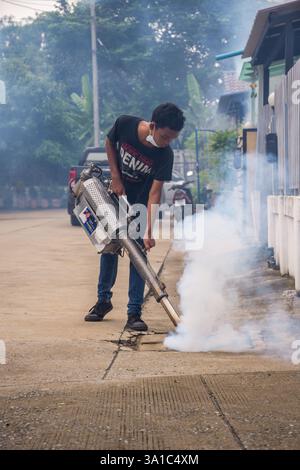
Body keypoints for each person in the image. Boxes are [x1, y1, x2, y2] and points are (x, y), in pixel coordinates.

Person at [85, 103, 185, 331]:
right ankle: (103, 301)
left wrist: (149, 230)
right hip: (115, 195)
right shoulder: (125, 124)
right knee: (109, 249)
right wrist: (116, 176)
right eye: (164, 136)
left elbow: (155, 193)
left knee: (138, 256)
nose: (166, 142)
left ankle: (134, 314)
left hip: (139, 205)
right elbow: (110, 142)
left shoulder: (165, 155)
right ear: (152, 126)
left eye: (171, 139)